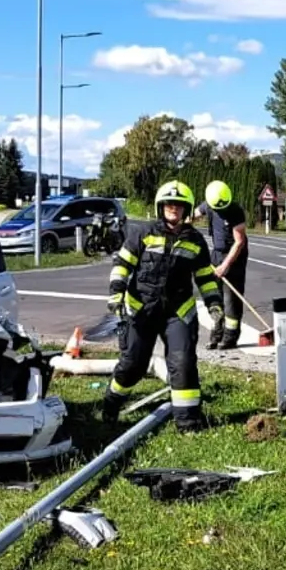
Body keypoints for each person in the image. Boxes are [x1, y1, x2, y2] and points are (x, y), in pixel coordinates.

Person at [104, 179, 224, 431]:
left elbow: (205, 276)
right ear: (161, 207)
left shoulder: (195, 241)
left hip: (177, 312)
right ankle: (112, 402)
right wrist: (116, 293)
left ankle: (188, 424)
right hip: (141, 310)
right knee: (133, 365)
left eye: (179, 205)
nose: (174, 208)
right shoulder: (142, 234)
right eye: (169, 204)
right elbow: (122, 265)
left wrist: (214, 304)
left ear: (187, 209)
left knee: (182, 363)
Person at [199, 180, 251, 349]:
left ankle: (230, 337)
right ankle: (216, 334)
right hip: (217, 253)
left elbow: (239, 241)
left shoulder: (235, 211)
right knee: (216, 297)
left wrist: (226, 265)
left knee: (231, 299)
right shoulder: (209, 205)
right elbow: (193, 215)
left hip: (234, 256)